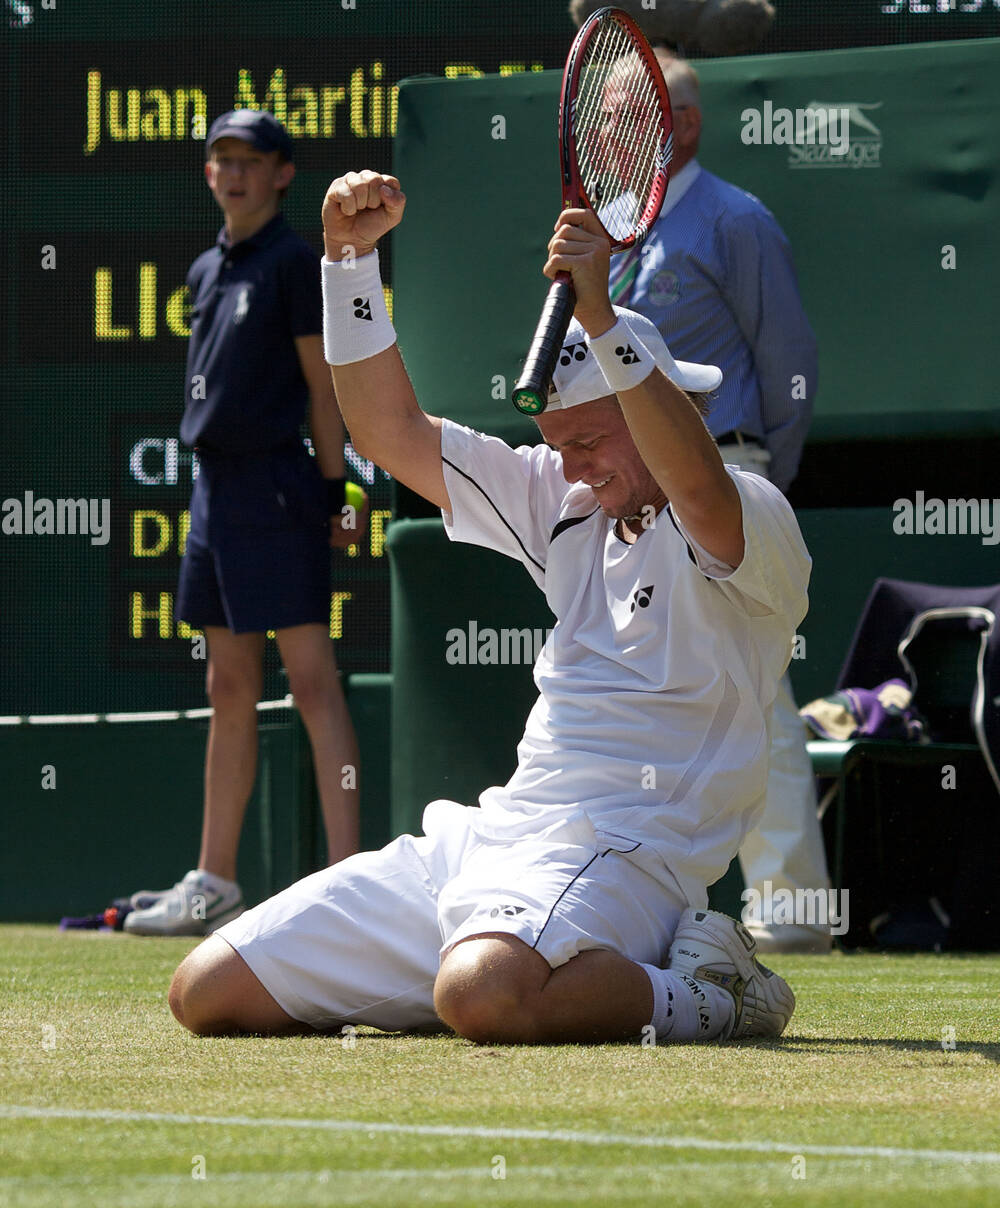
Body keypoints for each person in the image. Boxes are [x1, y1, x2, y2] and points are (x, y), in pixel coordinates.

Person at [166, 168, 809, 1047]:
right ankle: (522, 966)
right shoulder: (563, 501)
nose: (572, 464)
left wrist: (601, 321)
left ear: (673, 405)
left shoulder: (748, 510)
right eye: (558, 444)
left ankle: (714, 997)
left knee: (485, 998)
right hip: (491, 837)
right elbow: (392, 434)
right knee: (208, 990)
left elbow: (693, 484)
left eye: (589, 440)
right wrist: (350, 264)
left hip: (628, 856)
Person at [126, 112, 366, 938]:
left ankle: (347, 883)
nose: (233, 173)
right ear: (209, 174)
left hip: (276, 488)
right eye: (221, 160)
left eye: (249, 161)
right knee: (226, 685)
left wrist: (336, 489)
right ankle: (214, 883)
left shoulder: (296, 264)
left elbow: (323, 387)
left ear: (282, 174)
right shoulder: (206, 269)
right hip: (213, 494)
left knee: (310, 681)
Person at [610, 57, 831, 952]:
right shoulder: (611, 237)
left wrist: (751, 473)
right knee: (632, 688)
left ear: (685, 127)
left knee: (756, 689)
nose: (611, 137)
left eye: (630, 118)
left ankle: (789, 907)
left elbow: (790, 365)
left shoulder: (735, 219)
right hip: (625, 497)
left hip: (721, 479)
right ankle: (636, 900)